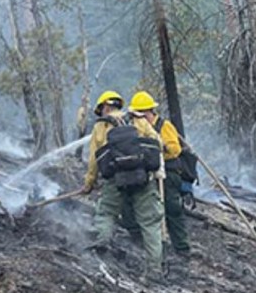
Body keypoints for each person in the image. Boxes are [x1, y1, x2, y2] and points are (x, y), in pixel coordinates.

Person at [78, 90, 166, 281]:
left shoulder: (100, 127)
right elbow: (157, 143)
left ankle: (101, 247)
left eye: (101, 109)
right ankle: (154, 272)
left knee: (106, 214)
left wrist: (89, 183)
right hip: (143, 179)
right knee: (150, 224)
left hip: (114, 182)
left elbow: (94, 159)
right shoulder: (138, 119)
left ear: (105, 107)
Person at [128, 91, 191, 257]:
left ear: (149, 112)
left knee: (172, 210)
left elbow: (175, 150)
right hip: (147, 175)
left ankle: (182, 249)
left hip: (168, 174)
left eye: (141, 115)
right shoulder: (136, 128)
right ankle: (154, 247)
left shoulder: (164, 126)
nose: (139, 118)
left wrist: (159, 147)